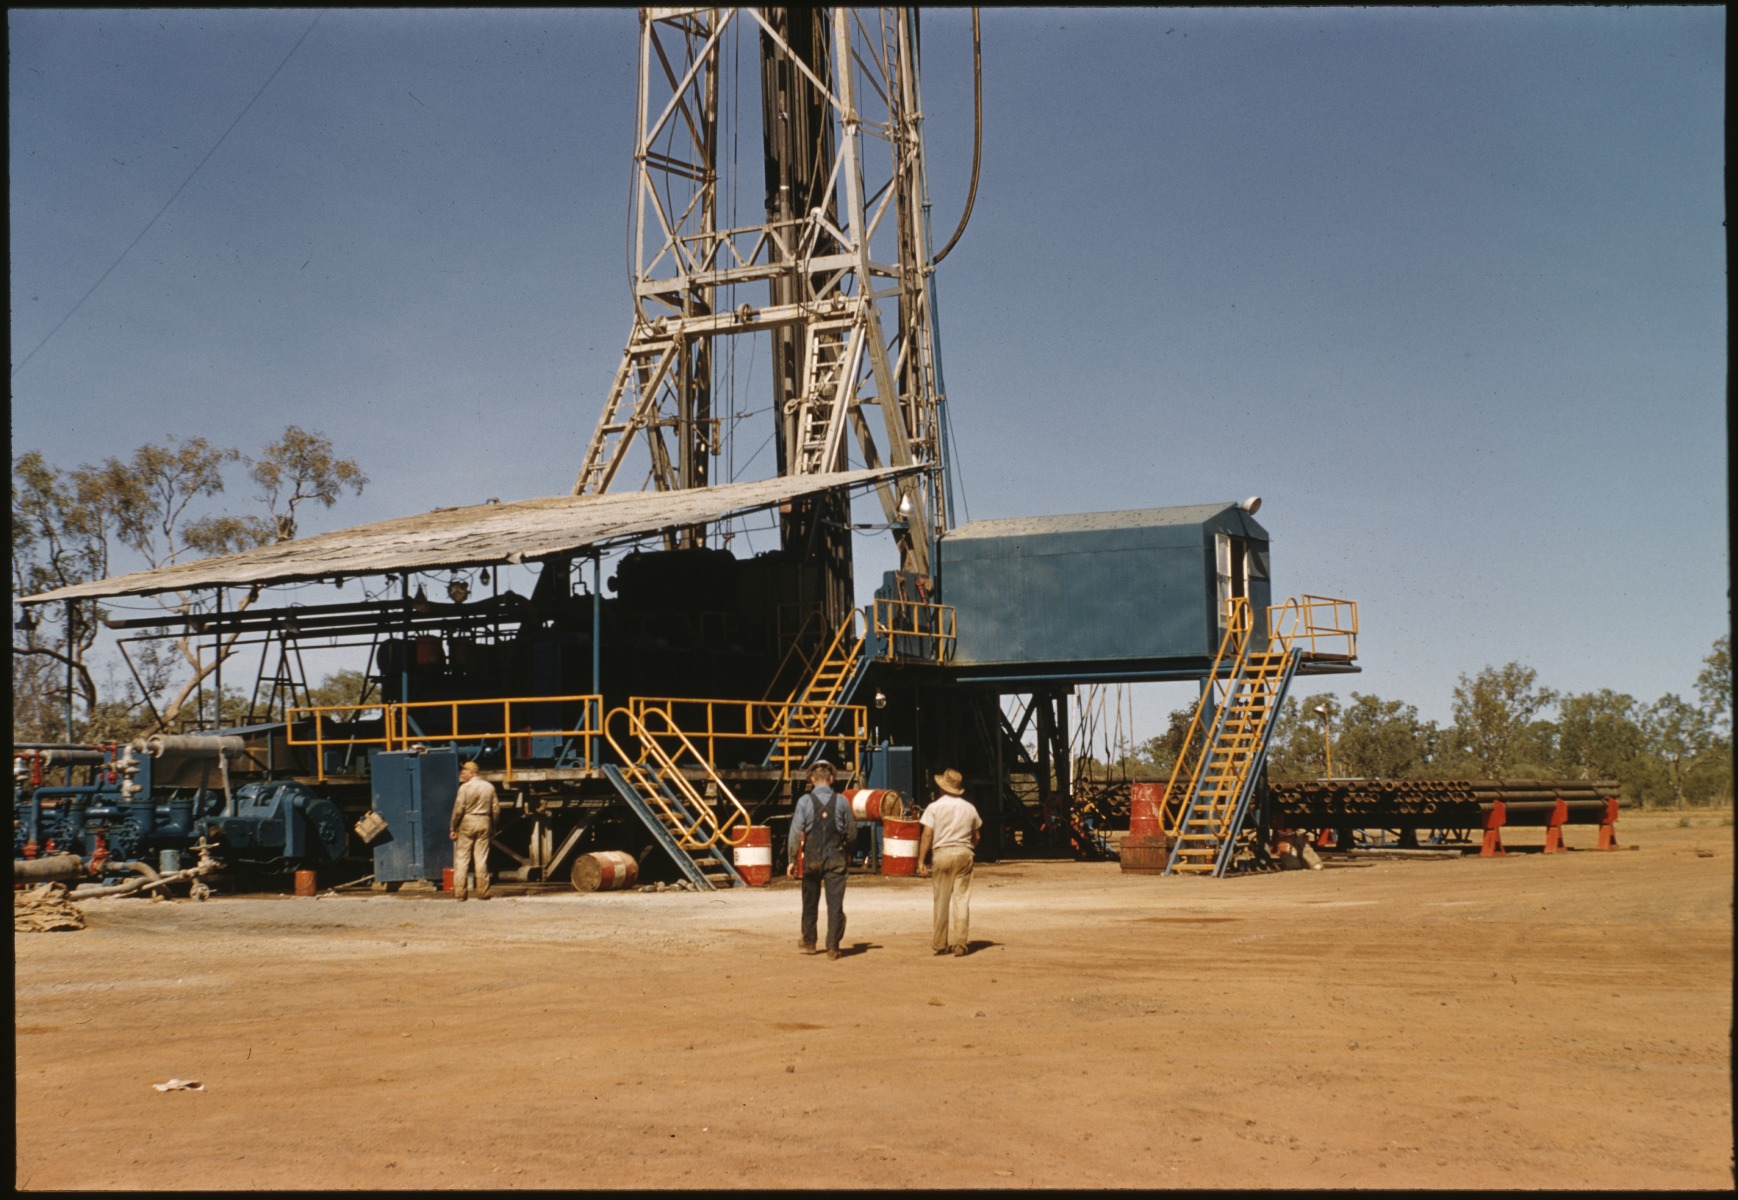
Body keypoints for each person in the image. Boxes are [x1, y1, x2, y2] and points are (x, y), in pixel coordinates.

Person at [786, 760, 854, 960]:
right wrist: (848, 853)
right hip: (835, 858)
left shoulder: (804, 801)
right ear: (832, 779)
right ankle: (832, 947)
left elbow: (796, 832)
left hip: (812, 858)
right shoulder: (842, 801)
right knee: (835, 904)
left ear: (812, 779)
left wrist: (792, 858)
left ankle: (809, 942)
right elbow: (851, 832)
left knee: (809, 900)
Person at [917, 767, 982, 957]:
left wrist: (921, 861)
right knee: (961, 900)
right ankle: (961, 943)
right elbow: (977, 835)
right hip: (964, 853)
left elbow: (927, 834)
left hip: (942, 854)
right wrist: (968, 847)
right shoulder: (969, 808)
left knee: (941, 900)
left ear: (942, 788)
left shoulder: (934, 807)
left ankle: (940, 943)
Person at [449, 760, 499, 900]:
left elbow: (458, 810)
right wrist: (494, 826)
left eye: (464, 773)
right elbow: (496, 809)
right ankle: (483, 892)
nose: (462, 775)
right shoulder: (489, 787)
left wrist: (453, 827)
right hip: (484, 821)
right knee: (481, 859)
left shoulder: (464, 788)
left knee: (462, 858)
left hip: (468, 821)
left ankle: (460, 893)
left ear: (472, 773)